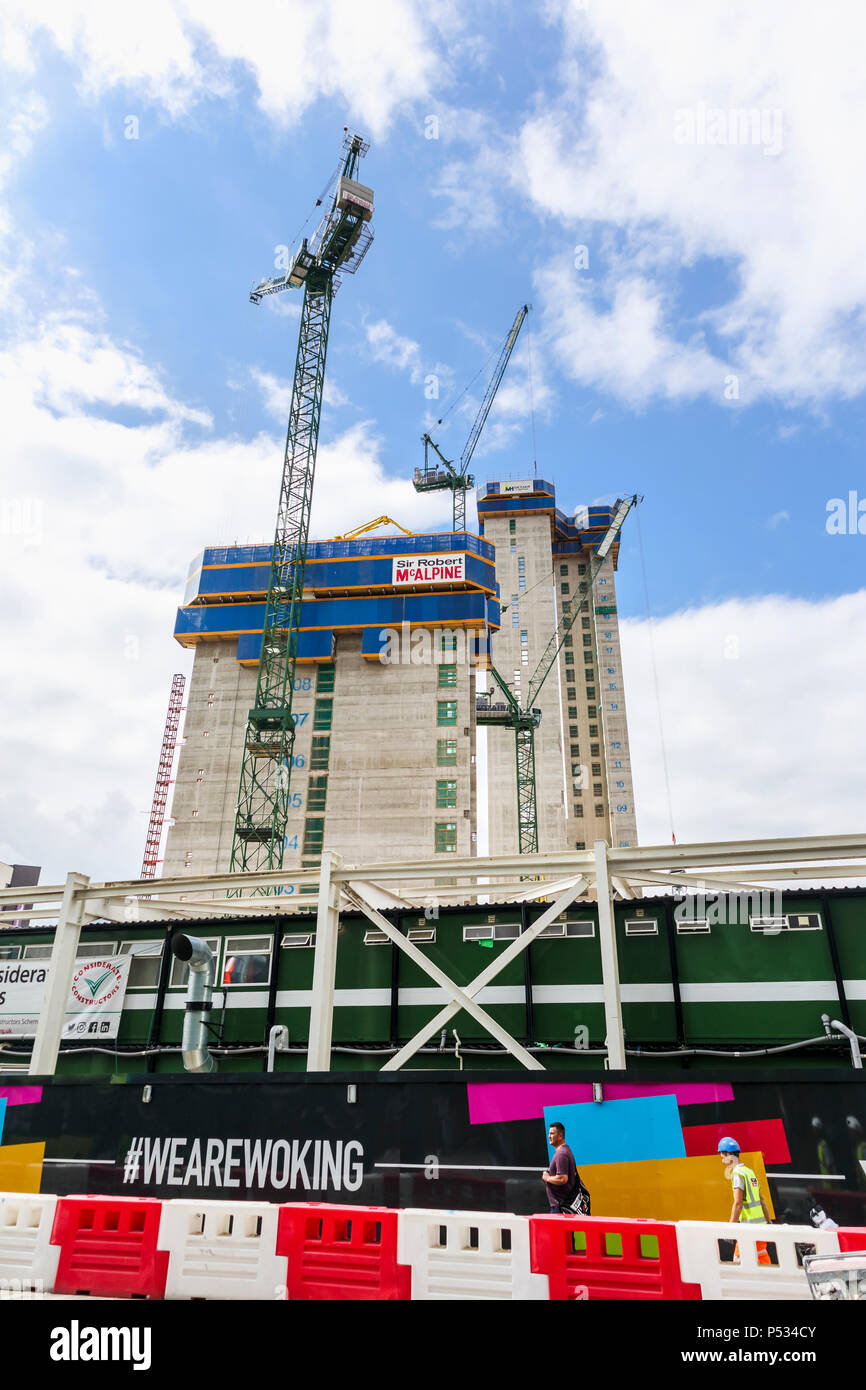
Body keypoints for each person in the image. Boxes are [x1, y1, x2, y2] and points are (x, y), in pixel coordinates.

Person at [718, 1136, 772, 1265]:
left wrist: (730, 1227)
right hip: (761, 1226)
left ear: (728, 1154)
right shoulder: (749, 1172)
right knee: (761, 1255)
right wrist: (768, 1221)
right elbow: (762, 1200)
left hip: (748, 1227)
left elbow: (738, 1203)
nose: (722, 1161)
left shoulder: (737, 1174)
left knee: (738, 1259)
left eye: (722, 1157)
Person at [542, 1121, 590, 1215]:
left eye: (552, 1133)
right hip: (561, 1205)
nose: (549, 1136)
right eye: (549, 1133)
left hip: (560, 1206)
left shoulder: (561, 1154)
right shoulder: (563, 1151)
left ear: (560, 1136)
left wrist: (547, 1178)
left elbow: (562, 1178)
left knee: (556, 1230)